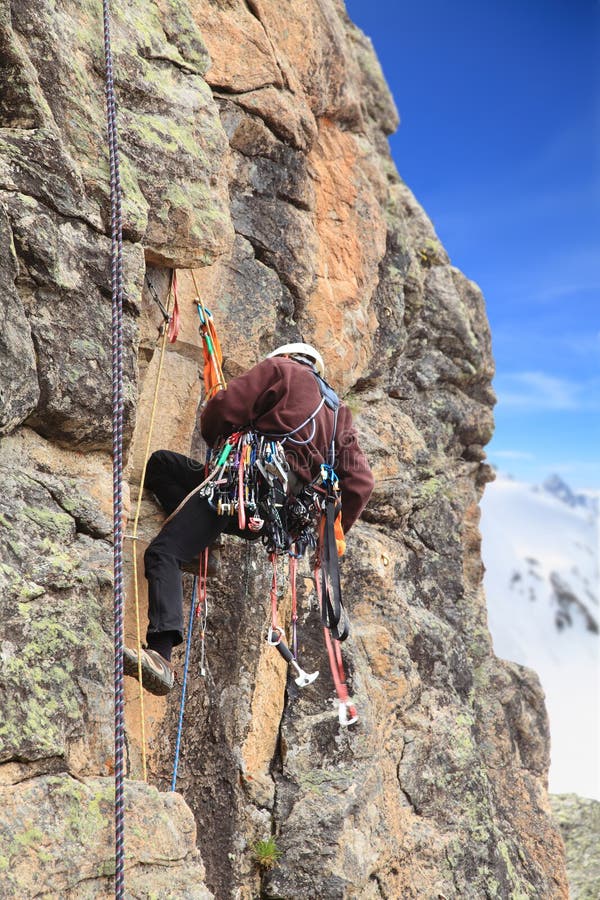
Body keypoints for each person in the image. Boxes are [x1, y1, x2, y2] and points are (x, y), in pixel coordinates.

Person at [123, 343, 374, 695]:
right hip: (276, 517)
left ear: (284, 357)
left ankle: (161, 657)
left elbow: (222, 409)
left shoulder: (280, 371)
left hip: (238, 489)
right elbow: (361, 484)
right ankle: (200, 548)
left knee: (163, 553)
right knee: (163, 465)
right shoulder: (339, 414)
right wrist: (328, 540)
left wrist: (218, 437)